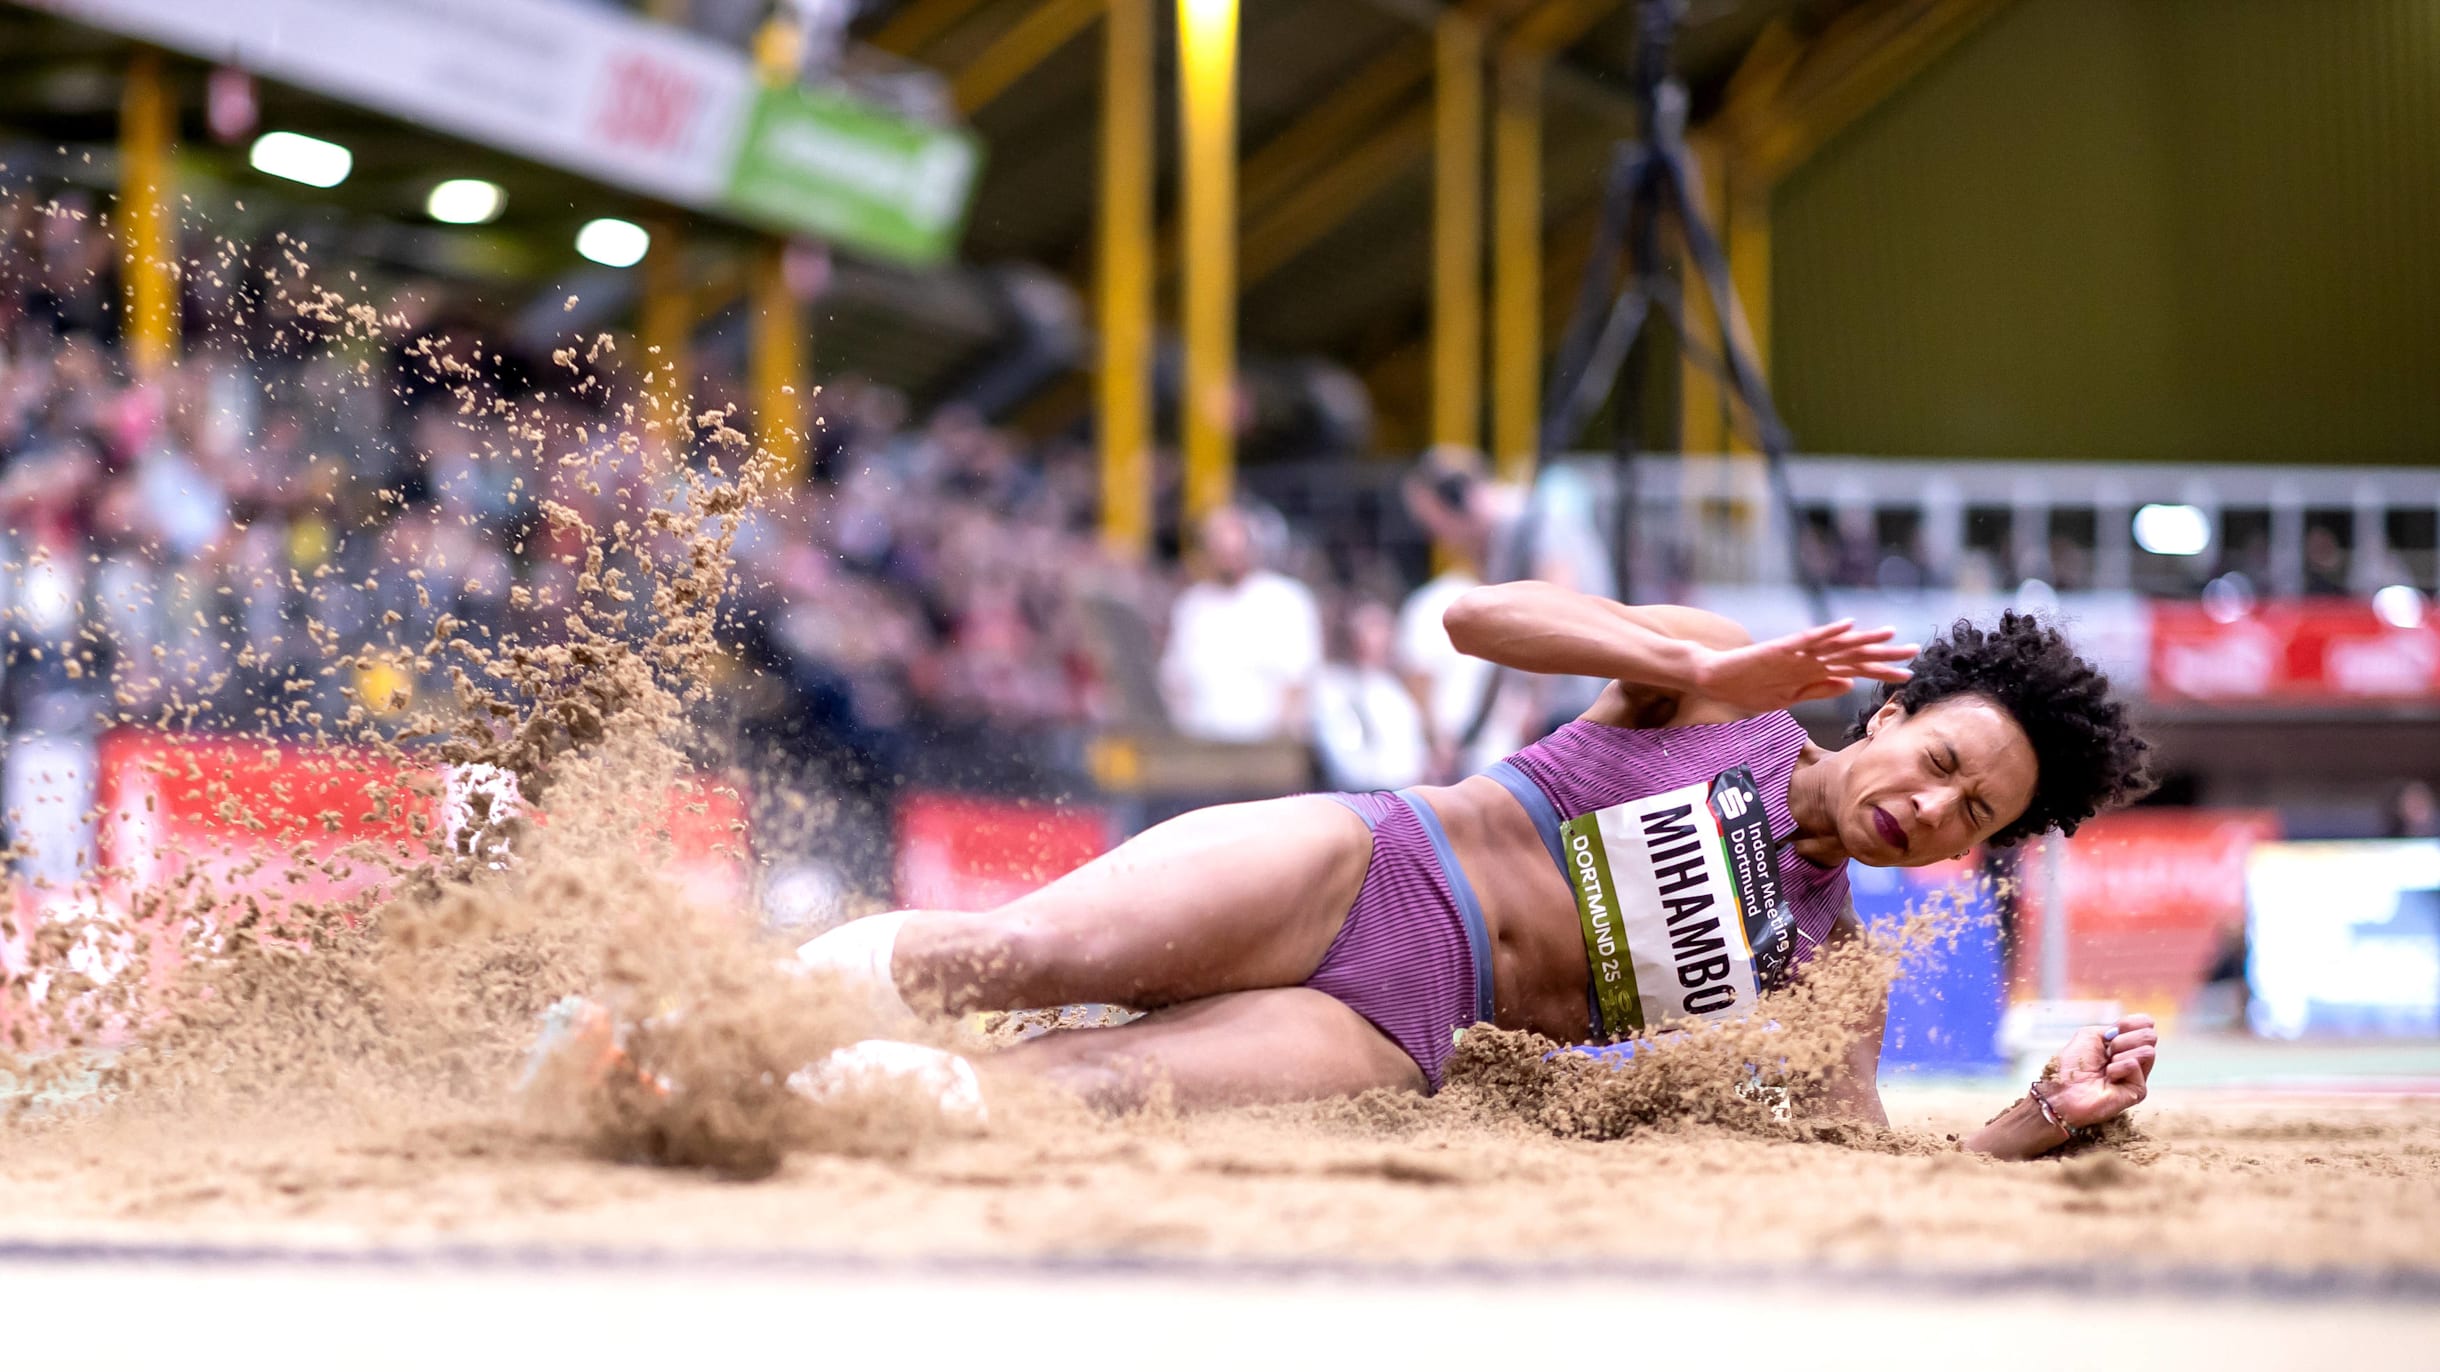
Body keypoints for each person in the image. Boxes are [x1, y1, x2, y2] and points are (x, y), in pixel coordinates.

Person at [802, 593, 2159, 1159]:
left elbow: (1853, 1160)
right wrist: (1686, 662)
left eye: (1970, 813)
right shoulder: (1725, 691)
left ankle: (767, 1107)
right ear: (1890, 717)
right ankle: (731, 1011)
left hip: (1397, 1029)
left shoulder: (1835, 965)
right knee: (1011, 957)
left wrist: (2042, 1114)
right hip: (1358, 862)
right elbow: (1472, 618)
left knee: (1077, 1088)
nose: (1928, 807)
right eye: (1939, 762)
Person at [1157, 504, 1323, 744]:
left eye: (1235, 550)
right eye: (1221, 550)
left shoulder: (1286, 601)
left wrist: (1278, 746)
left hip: (1264, 747)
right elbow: (1176, 683)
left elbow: (1298, 684)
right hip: (1202, 746)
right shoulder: (1191, 606)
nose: (1229, 559)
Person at [1310, 599, 1430, 793]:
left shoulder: (1393, 687)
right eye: (1373, 628)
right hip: (1365, 794)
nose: (1383, 637)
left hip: (1405, 792)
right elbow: (1346, 760)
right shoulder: (1335, 687)